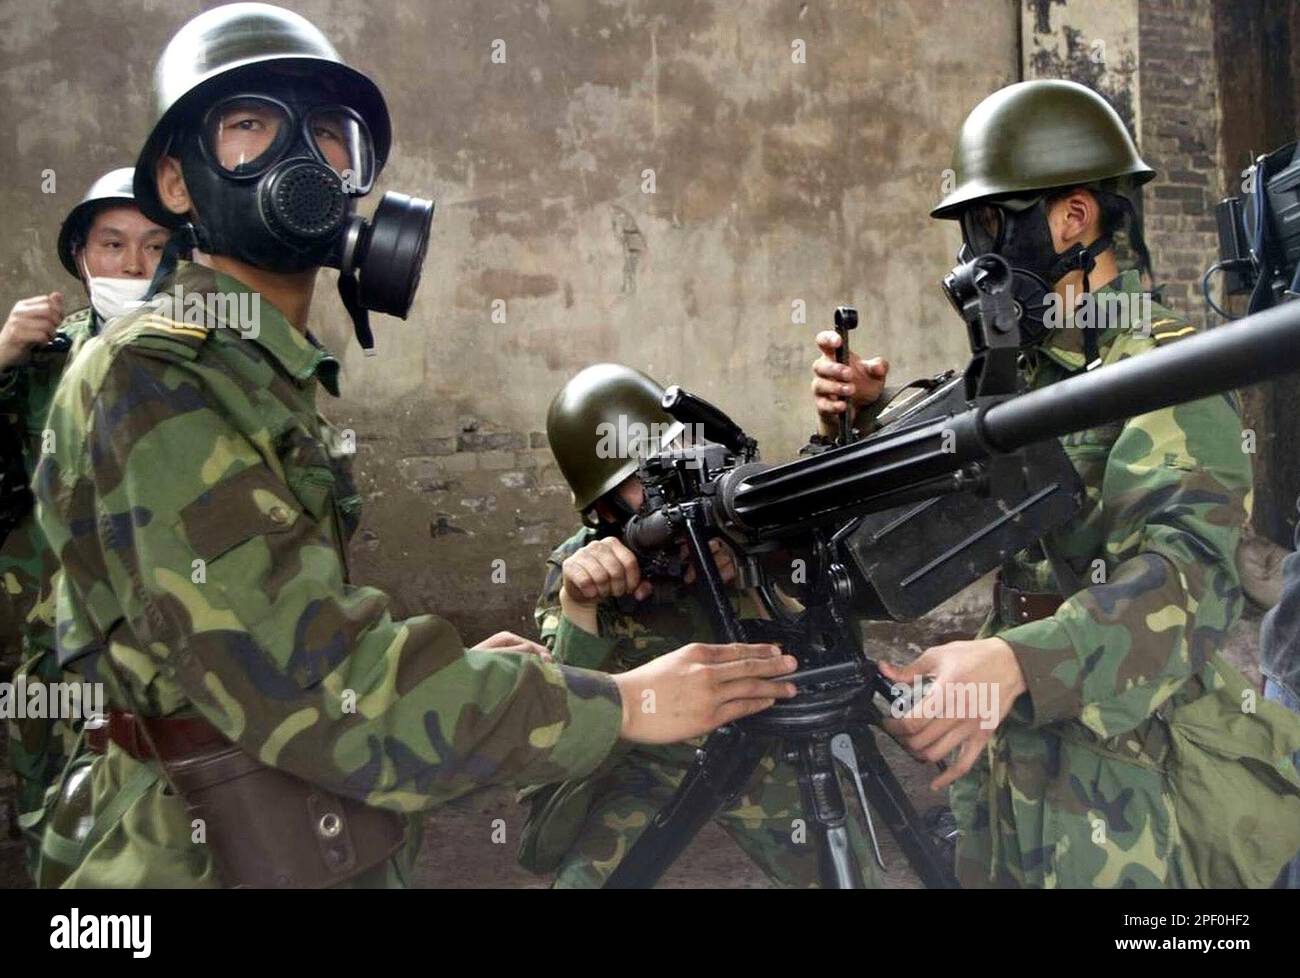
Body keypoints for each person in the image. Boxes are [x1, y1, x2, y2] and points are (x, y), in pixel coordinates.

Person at [33, 2, 796, 888]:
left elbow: (268, 614)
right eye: (250, 127)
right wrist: (621, 701)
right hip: (193, 851)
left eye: (327, 134)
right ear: (177, 182)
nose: (299, 158)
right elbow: (304, 678)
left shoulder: (252, 369)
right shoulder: (160, 377)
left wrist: (463, 674)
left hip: (279, 823)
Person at [810, 78, 1300, 888]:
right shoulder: (1027, 372)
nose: (971, 259)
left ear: (1073, 217)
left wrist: (1014, 665)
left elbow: (1190, 583)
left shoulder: (1161, 369)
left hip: (1139, 787)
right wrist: (863, 429)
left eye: (989, 225)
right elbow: (928, 527)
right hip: (1019, 771)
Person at [518, 363, 879, 887]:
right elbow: (567, 709)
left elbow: (826, 640)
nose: (667, 484)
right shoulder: (576, 567)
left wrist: (751, 577)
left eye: (671, 457)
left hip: (758, 742)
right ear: (600, 508)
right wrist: (579, 605)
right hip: (646, 760)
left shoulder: (729, 522)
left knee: (848, 874)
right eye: (641, 479)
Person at [0, 167, 166, 875]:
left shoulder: (202, 358)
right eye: (112, 243)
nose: (132, 265)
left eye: (156, 246)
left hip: (169, 658)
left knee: (165, 831)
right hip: (54, 650)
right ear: (79, 258)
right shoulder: (40, 363)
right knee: (54, 823)